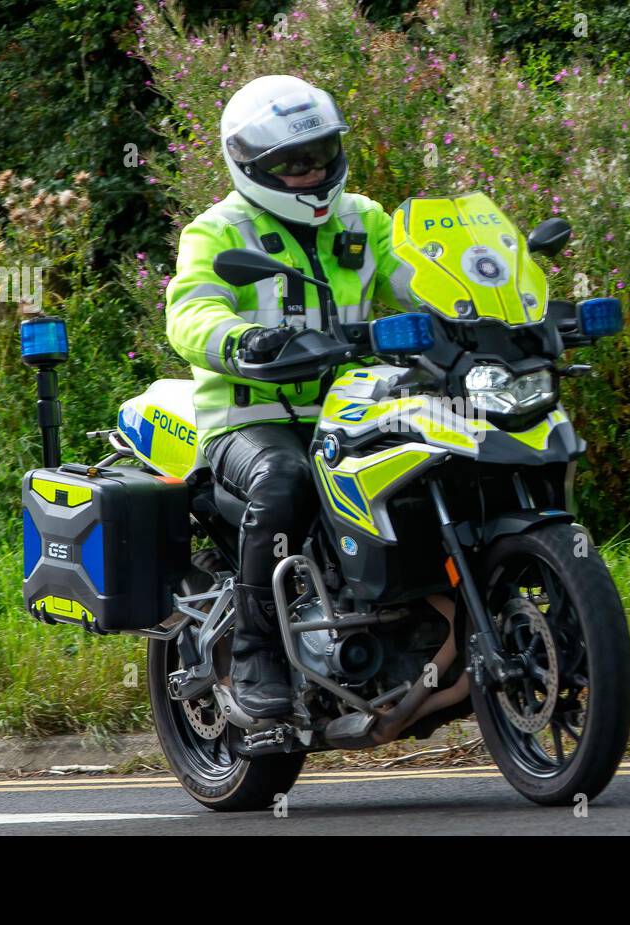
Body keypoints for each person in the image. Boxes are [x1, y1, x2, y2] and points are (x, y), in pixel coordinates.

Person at [165, 75, 406, 719]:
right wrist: (241, 341)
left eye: (322, 156)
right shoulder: (217, 231)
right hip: (250, 420)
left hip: (357, 407)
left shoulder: (366, 219)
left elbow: (420, 280)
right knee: (286, 478)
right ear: (252, 166)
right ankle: (256, 652)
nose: (312, 173)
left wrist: (490, 307)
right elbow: (189, 312)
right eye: (293, 164)